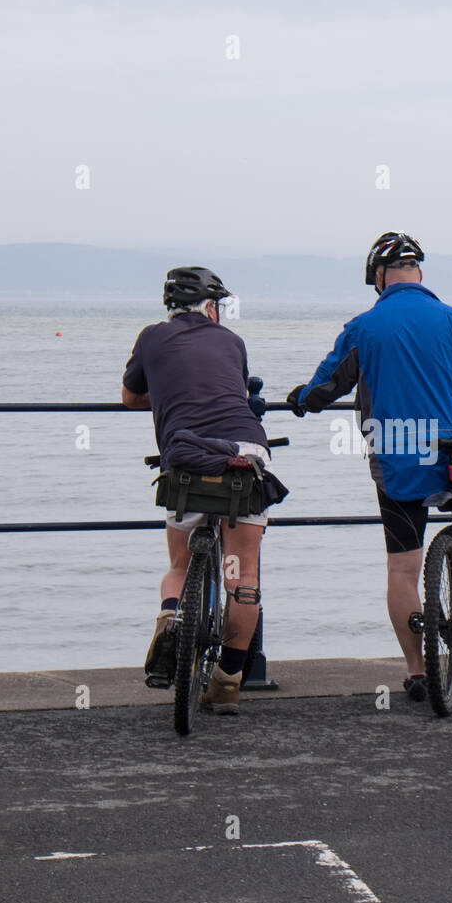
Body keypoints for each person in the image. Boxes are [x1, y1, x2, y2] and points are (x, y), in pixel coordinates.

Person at [286, 232, 452, 702]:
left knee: (401, 570)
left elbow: (328, 382)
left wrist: (301, 401)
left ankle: (417, 670)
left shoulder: (364, 327)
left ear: (379, 277)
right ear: (420, 274)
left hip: (395, 461)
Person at [122, 266, 270, 715]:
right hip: (244, 453)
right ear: (210, 307)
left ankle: (170, 617)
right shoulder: (232, 342)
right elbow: (238, 393)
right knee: (242, 576)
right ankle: (228, 683)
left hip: (186, 460)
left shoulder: (150, 338)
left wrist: (166, 393)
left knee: (180, 565)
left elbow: (131, 398)